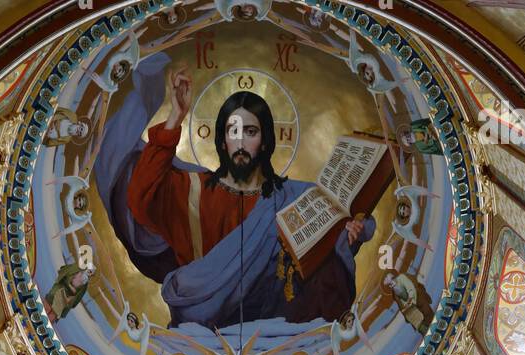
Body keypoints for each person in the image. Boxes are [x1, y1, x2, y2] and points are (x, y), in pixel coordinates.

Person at [97, 56, 378, 331]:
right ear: (222, 141)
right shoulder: (193, 190)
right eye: (233, 131)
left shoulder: (293, 197)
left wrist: (355, 230)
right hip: (205, 334)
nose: (241, 141)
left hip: (278, 333)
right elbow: (141, 196)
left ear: (265, 141)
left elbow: (338, 224)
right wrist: (175, 117)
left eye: (251, 132)